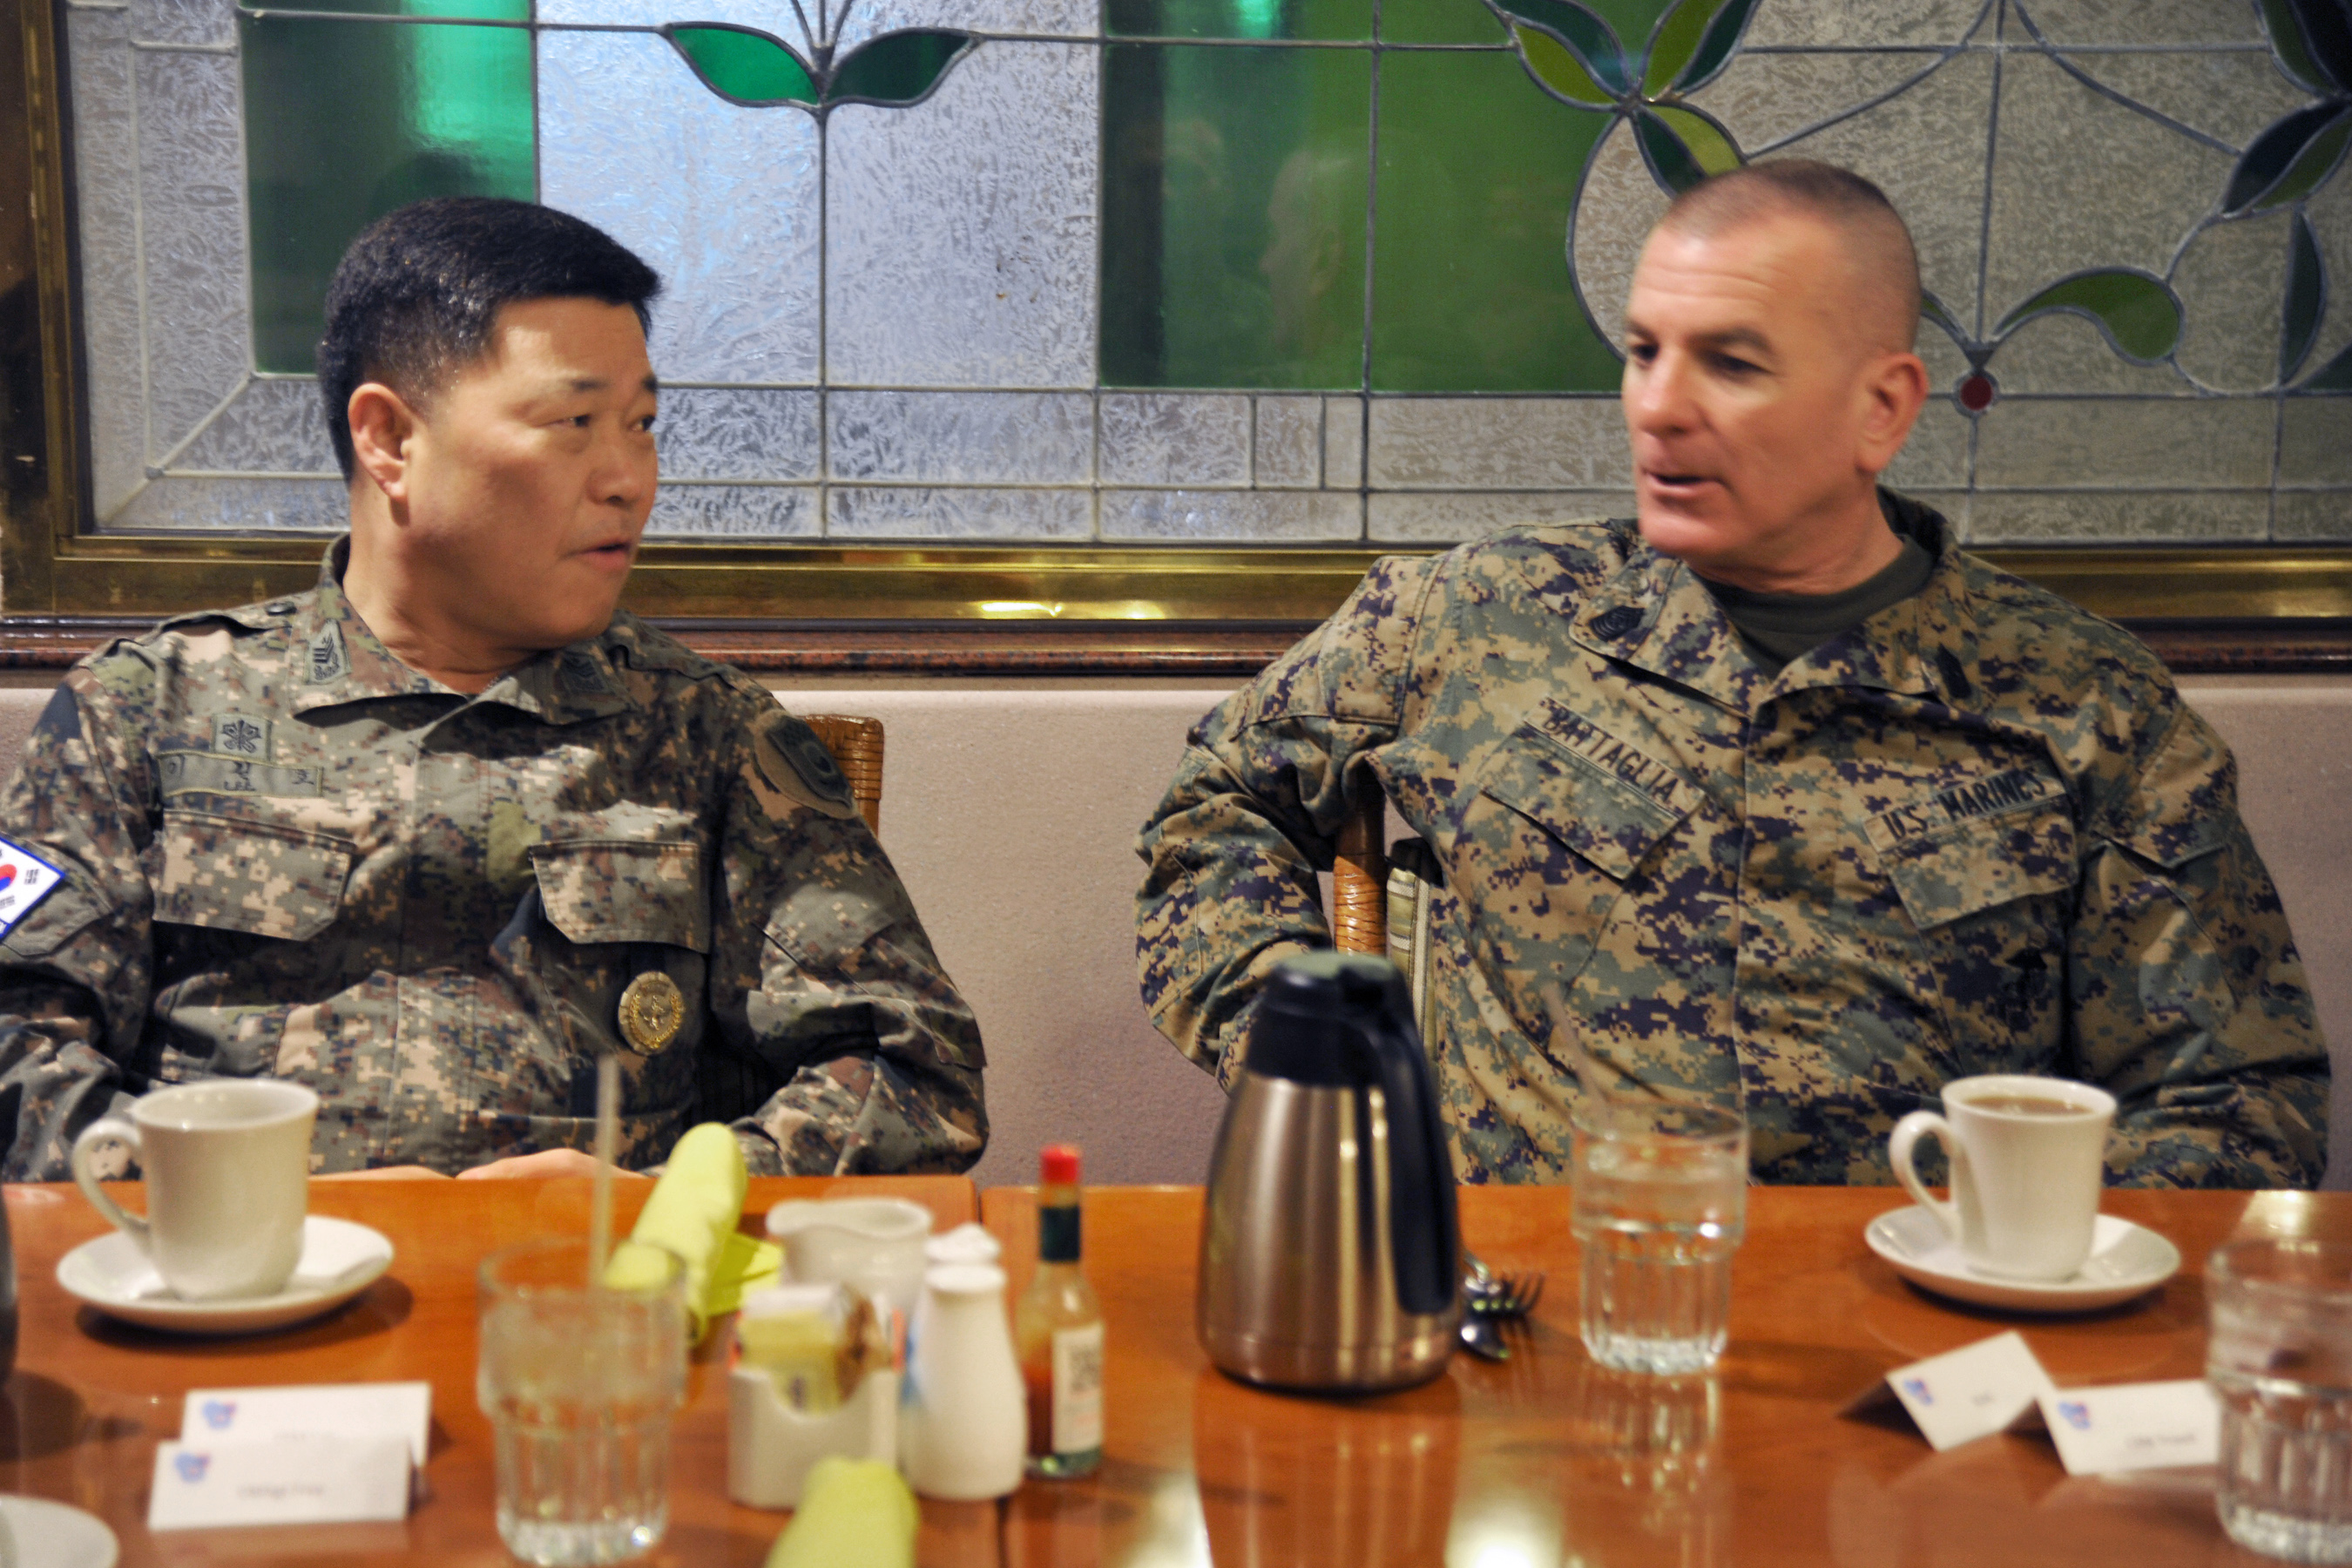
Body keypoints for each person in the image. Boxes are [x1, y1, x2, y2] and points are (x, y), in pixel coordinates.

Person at [1135, 159, 2328, 1188]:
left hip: (1910, 1347)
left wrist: (2026, 1229)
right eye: (1645, 352)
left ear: (1882, 409)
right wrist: (1313, 1049)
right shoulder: (1478, 617)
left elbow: (2239, 1103)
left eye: (1732, 364)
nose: (1659, 408)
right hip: (1523, 1323)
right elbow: (1218, 804)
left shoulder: (2086, 711)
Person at [0, 198, 985, 1181]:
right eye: (575, 422)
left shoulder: (707, 734)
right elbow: (17, 1046)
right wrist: (248, 1210)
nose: (629, 479)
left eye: (642, 424)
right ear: (388, 439)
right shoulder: (144, 712)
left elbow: (915, 1072)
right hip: (238, 1307)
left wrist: (656, 1202)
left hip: (596, 1306)